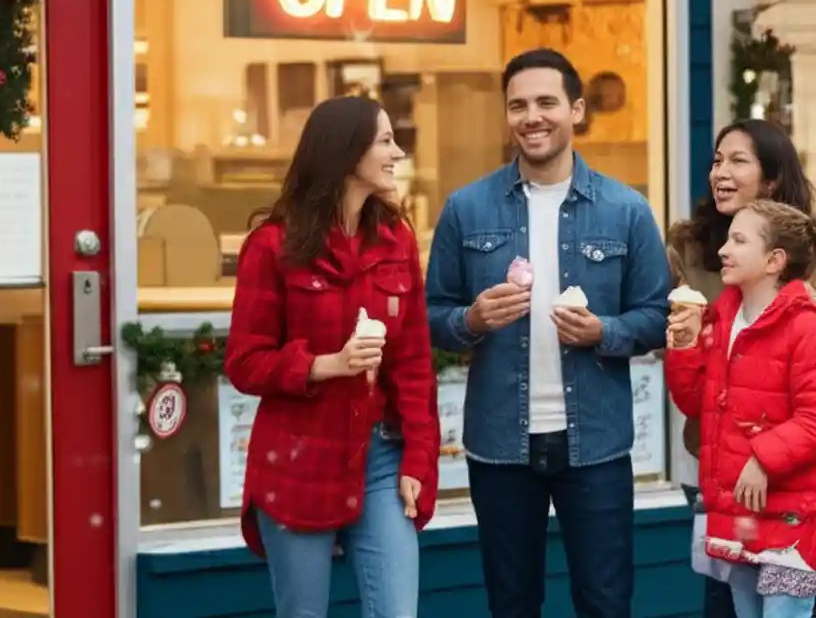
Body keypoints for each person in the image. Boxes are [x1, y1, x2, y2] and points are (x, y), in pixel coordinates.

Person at [425, 47, 669, 617]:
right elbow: (431, 314)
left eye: (546, 103)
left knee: (605, 603)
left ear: (576, 110)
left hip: (597, 444)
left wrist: (603, 331)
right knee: (512, 604)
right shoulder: (466, 208)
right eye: (518, 106)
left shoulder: (627, 210)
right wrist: (471, 320)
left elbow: (656, 315)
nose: (531, 117)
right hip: (500, 444)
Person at [225, 95, 440, 617]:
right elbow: (245, 362)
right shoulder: (272, 246)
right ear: (347, 152)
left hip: (381, 455)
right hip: (298, 457)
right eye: (385, 141)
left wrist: (419, 457)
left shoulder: (396, 241)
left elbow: (414, 365)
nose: (398, 153)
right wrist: (325, 365)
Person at [666, 119, 816, 618]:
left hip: (792, 509)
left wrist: (764, 457)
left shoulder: (804, 316)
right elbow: (696, 398)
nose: (720, 172)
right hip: (727, 495)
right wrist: (686, 344)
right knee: (732, 608)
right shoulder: (724, 308)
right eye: (716, 160)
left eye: (737, 160)